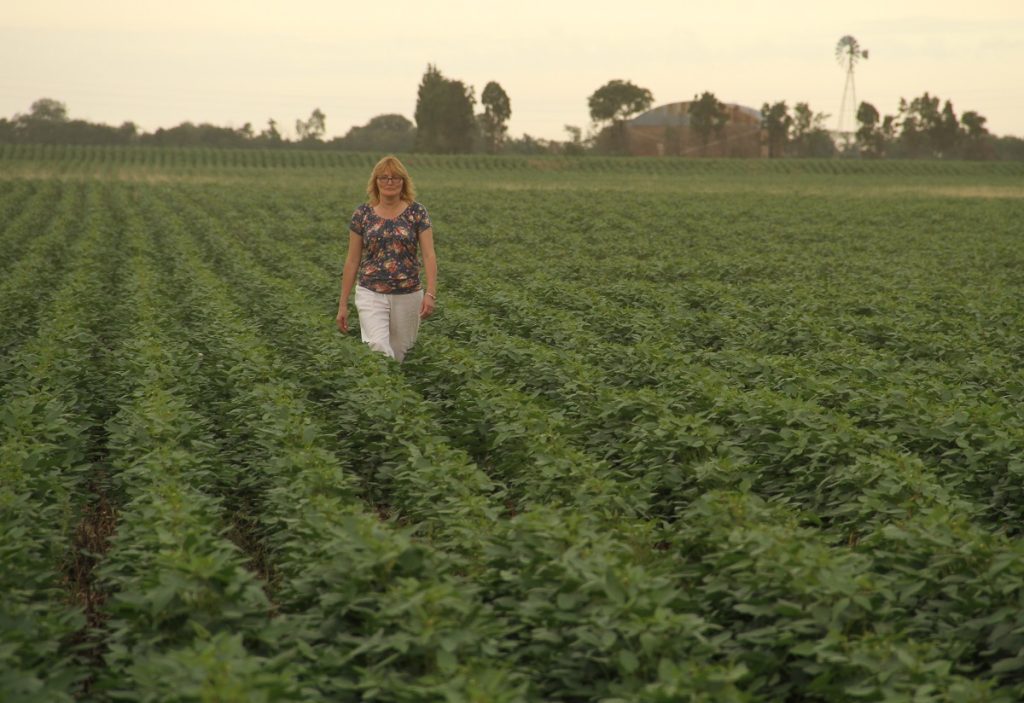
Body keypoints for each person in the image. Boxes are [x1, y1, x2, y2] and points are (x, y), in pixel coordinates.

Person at [336, 155, 437, 362]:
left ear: (403, 182)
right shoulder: (362, 214)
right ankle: (383, 388)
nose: (389, 182)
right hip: (370, 291)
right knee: (378, 348)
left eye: (395, 178)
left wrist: (431, 293)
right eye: (383, 177)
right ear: (376, 182)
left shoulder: (417, 213)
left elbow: (428, 254)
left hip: (408, 293)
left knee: (401, 353)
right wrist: (343, 303)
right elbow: (352, 260)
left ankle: (393, 391)